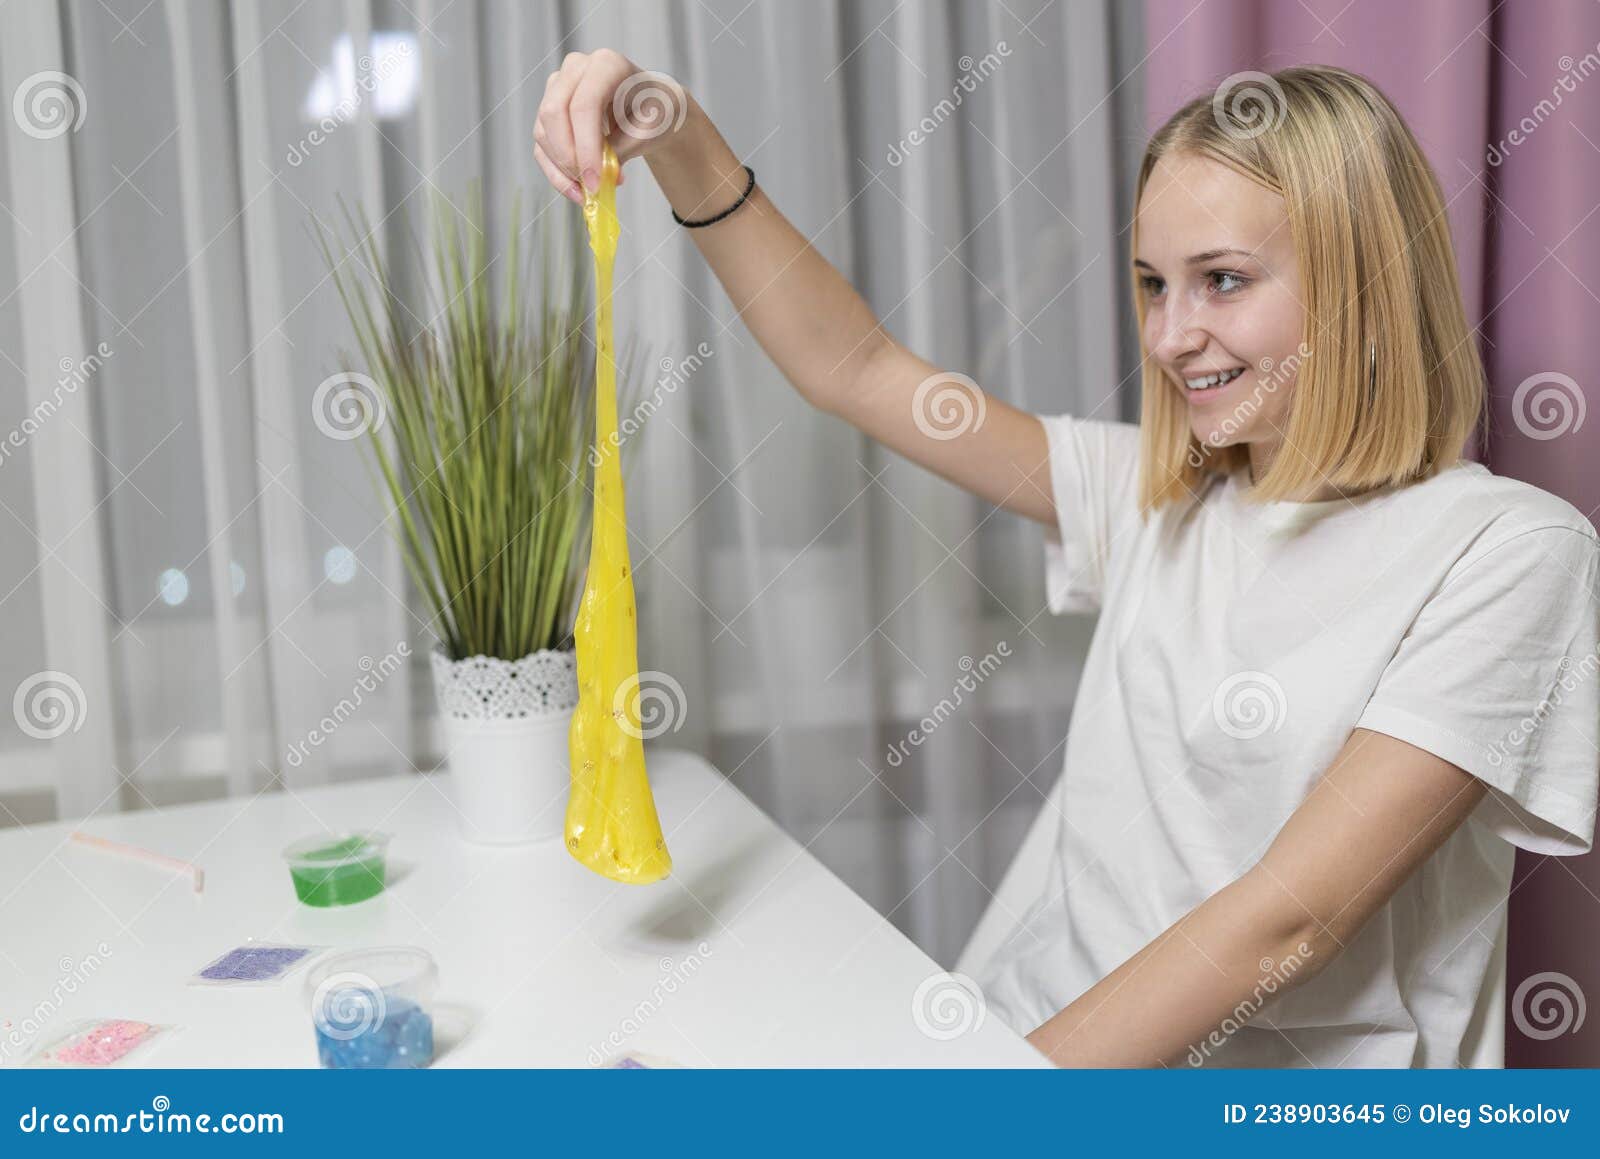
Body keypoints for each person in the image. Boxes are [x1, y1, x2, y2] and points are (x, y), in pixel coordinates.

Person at [535, 55, 1600, 1068]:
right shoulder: (1149, 494)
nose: (1172, 334)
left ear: (1362, 290)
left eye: (1221, 280)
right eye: (1151, 285)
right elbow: (851, 365)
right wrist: (681, 137)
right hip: (1026, 1056)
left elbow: (1288, 920)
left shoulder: (1506, 551)